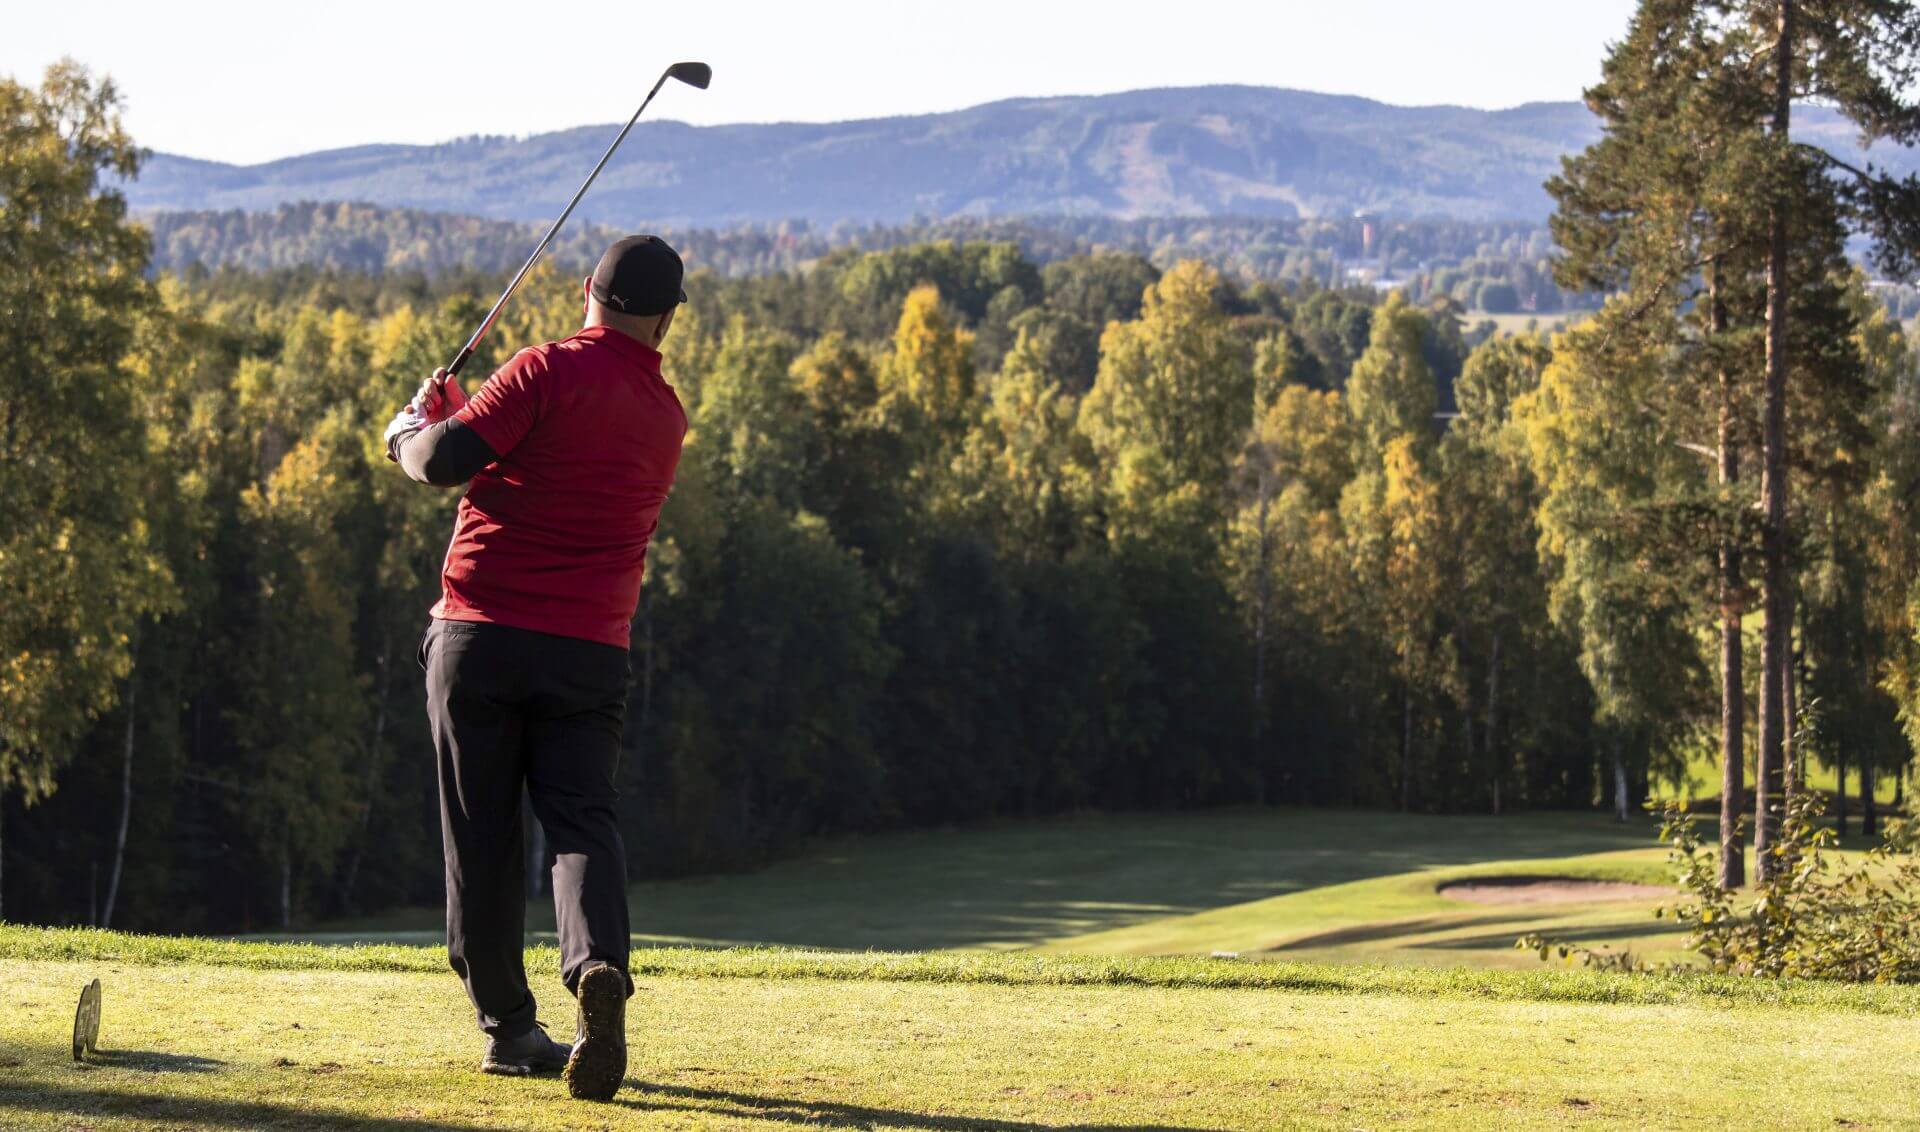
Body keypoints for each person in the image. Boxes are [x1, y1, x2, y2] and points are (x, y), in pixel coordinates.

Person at [382, 235, 689, 1101]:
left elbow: (442, 462)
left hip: (480, 634)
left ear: (586, 290)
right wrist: (454, 420)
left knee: (482, 837)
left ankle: (510, 1029)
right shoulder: (666, 416)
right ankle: (597, 965)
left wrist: (409, 429)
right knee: (581, 822)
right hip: (590, 650)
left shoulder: (544, 369)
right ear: (667, 319)